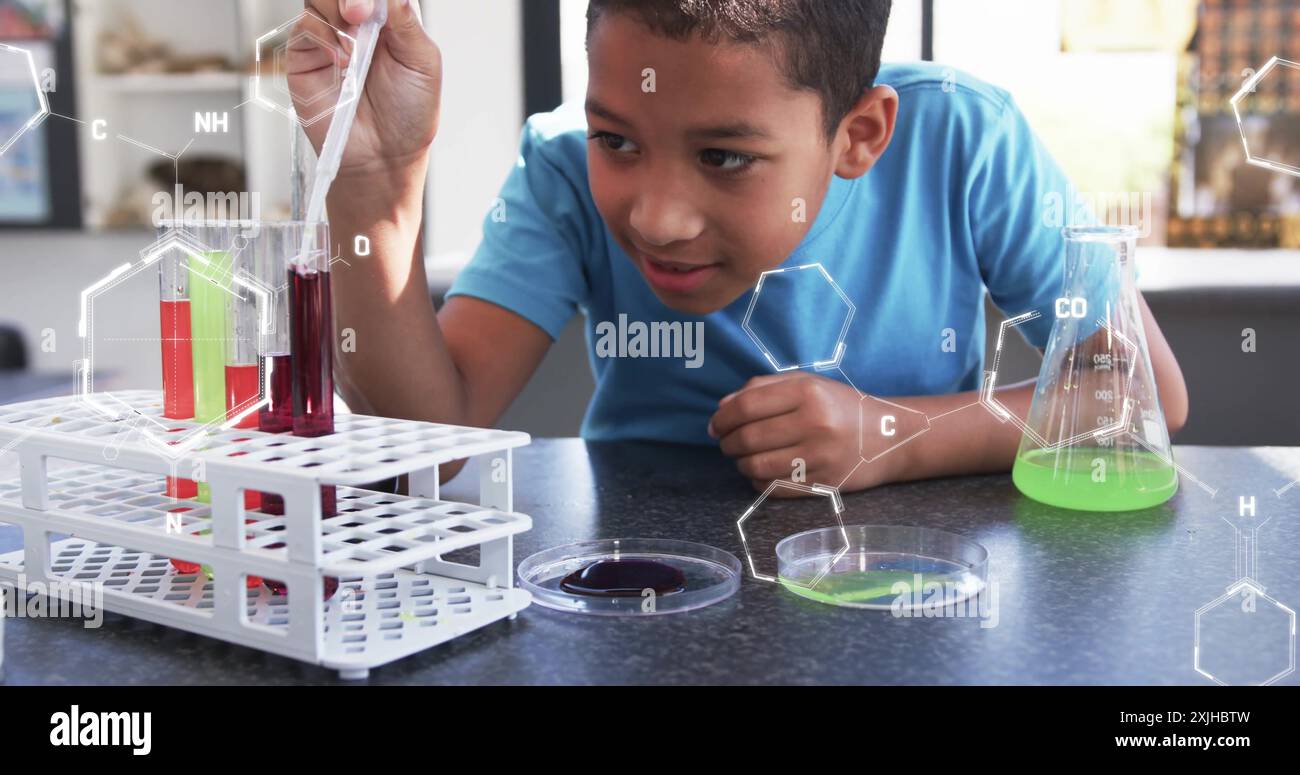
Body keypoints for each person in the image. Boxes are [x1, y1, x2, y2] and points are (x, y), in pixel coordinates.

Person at [290, 0, 1188, 494]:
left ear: (859, 136)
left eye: (725, 157)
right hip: (640, 586)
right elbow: (427, 445)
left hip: (909, 583)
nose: (657, 218)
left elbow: (1141, 398)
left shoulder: (966, 139)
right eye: (619, 140)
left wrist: (896, 435)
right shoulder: (561, 168)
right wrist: (373, 188)